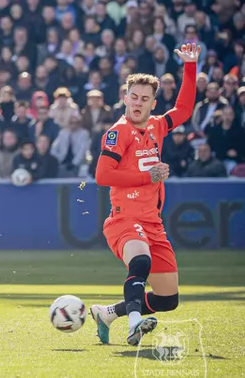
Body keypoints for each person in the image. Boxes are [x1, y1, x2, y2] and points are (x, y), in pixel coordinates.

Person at [90, 44, 198, 346]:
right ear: (125, 97)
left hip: (152, 222)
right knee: (140, 261)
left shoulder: (156, 125)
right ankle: (135, 323)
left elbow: (185, 110)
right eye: (133, 97)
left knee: (168, 298)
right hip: (124, 218)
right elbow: (102, 175)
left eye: (144, 99)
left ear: (153, 103)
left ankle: (109, 313)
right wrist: (146, 176)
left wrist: (190, 66)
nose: (137, 103)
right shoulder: (118, 131)